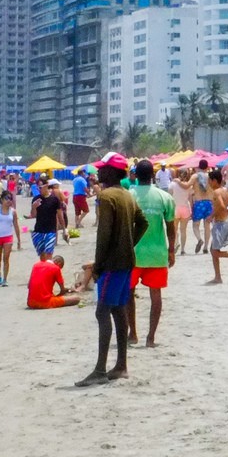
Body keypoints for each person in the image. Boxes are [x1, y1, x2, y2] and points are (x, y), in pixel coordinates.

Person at [77, 154, 142, 386]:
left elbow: (103, 236)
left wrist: (98, 265)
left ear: (112, 173)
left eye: (103, 170)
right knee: (118, 311)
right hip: (127, 262)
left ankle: (100, 370)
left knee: (102, 312)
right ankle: (122, 365)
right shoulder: (127, 194)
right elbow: (142, 222)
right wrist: (128, 242)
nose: (99, 173)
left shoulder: (106, 197)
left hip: (112, 264)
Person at [128, 158, 178, 348]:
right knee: (155, 295)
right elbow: (170, 228)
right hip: (157, 253)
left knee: (128, 294)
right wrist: (171, 251)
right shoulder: (164, 197)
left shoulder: (129, 195)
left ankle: (133, 333)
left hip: (132, 253)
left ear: (135, 175)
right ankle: (150, 338)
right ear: (152, 175)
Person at [0, 192, 20, 286]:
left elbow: (16, 226)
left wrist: (19, 240)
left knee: (6, 258)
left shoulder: (13, 212)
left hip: (8, 237)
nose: (8, 200)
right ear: (1, 199)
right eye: (6, 198)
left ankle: (5, 279)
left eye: (10, 198)